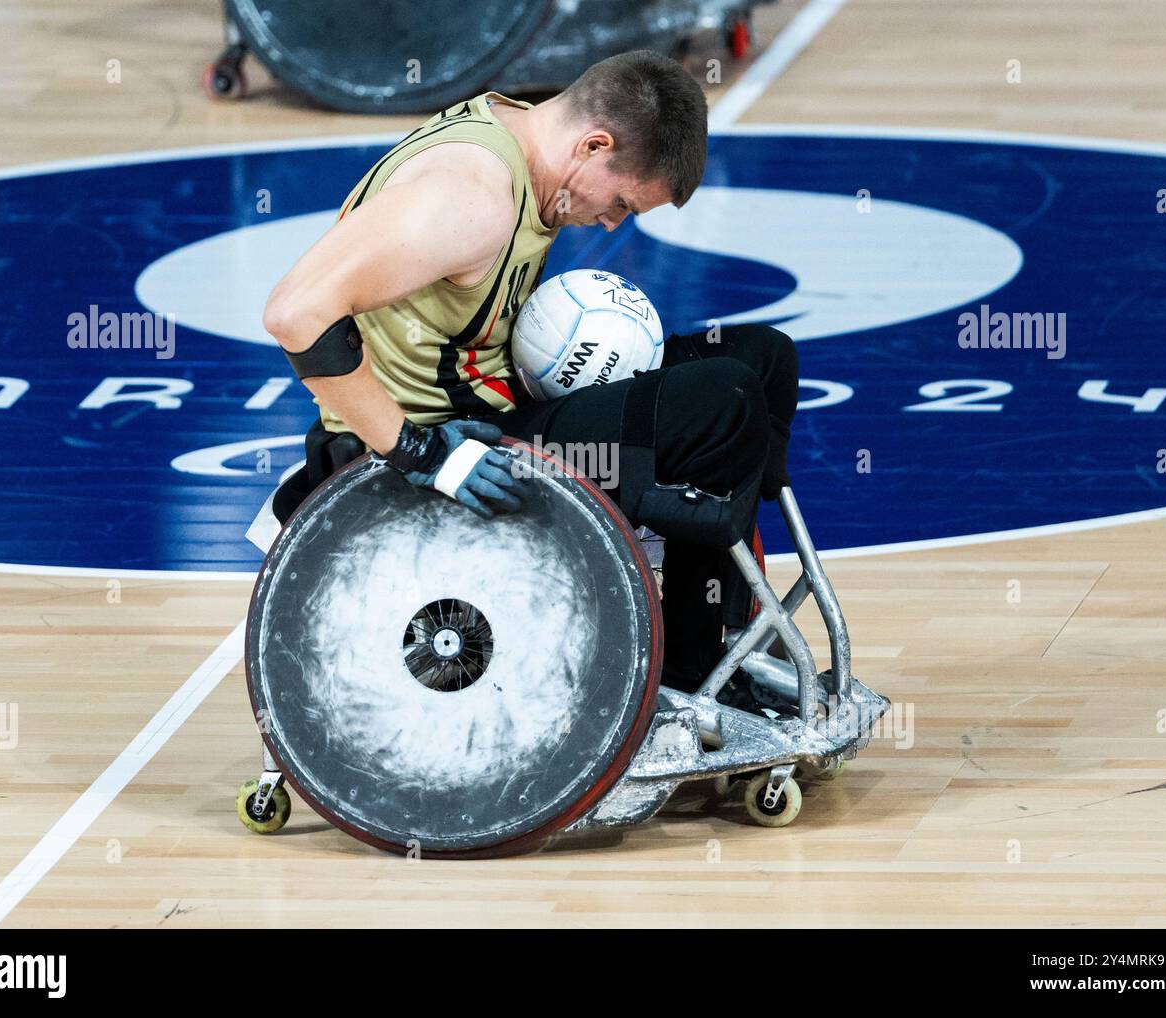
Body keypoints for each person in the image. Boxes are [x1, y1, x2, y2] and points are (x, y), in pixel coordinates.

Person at [262, 50, 799, 695]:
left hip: (496, 419)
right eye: (623, 201)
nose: (611, 221)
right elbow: (295, 314)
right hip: (440, 459)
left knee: (761, 356)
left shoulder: (524, 128)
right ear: (592, 143)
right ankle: (685, 682)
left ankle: (720, 634)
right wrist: (419, 451)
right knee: (723, 399)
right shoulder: (470, 195)